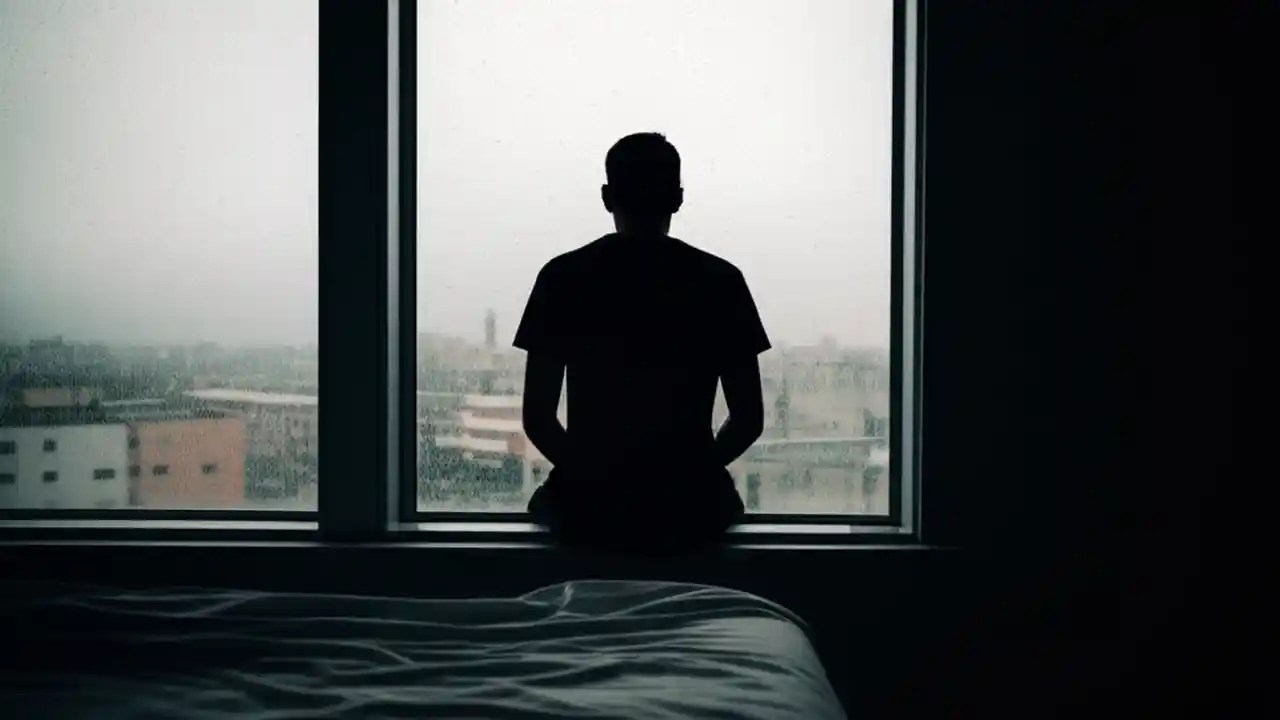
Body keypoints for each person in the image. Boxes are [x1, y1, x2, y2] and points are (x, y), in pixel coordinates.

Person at [514, 132, 771, 554]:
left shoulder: (562, 278)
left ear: (607, 196)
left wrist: (594, 476)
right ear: (678, 197)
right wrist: (689, 475)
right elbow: (747, 418)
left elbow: (538, 419)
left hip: (586, 510)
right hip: (691, 512)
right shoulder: (720, 282)